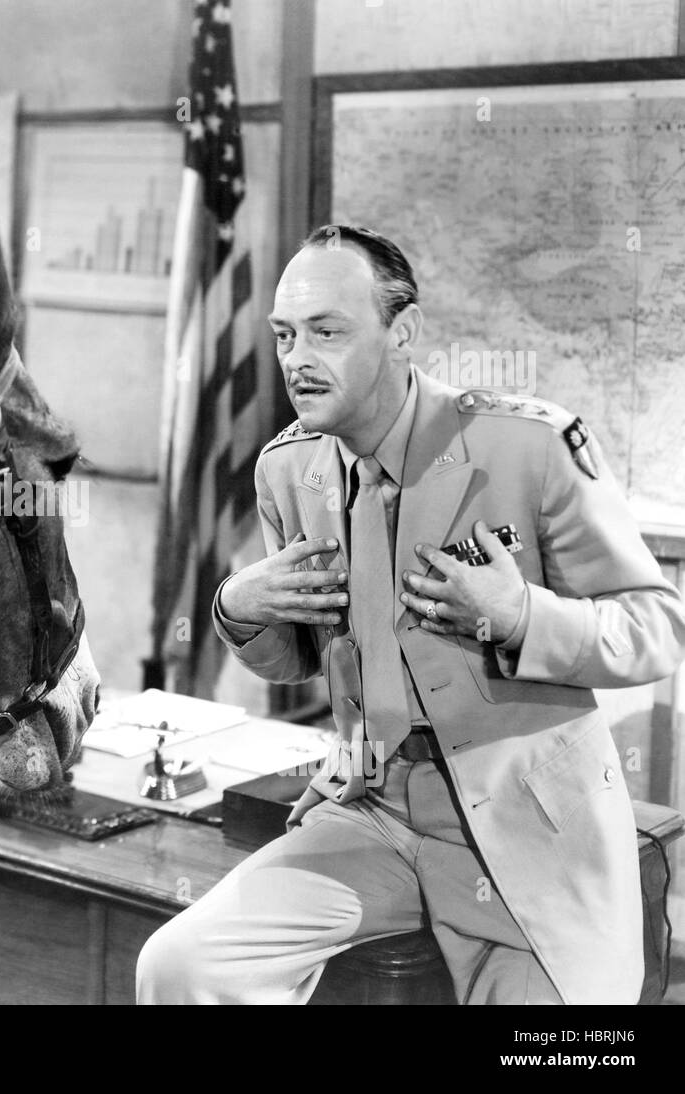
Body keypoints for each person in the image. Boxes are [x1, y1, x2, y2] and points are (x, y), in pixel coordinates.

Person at [135, 224, 685, 1005]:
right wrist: (236, 608)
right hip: (372, 810)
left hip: (524, 825)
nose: (297, 358)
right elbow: (301, 656)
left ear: (404, 334)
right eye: (285, 335)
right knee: (180, 964)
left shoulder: (529, 447)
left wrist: (522, 614)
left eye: (327, 331)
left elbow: (657, 626)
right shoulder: (289, 470)